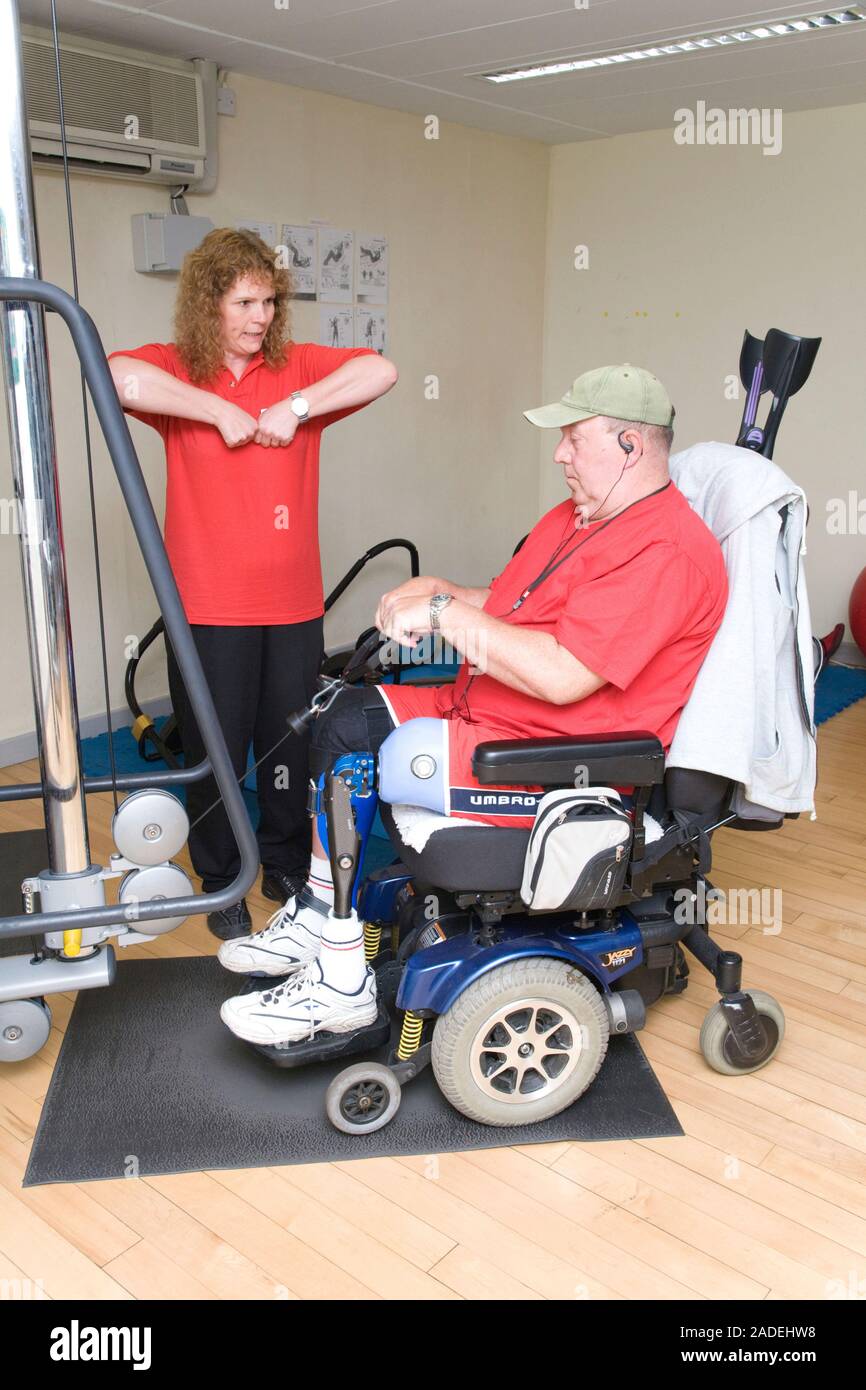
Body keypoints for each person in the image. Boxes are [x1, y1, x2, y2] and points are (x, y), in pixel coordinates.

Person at [218, 362, 729, 1046]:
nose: (560, 454)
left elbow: (561, 675)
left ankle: (341, 982)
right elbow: (514, 606)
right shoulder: (581, 517)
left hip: (552, 753)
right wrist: (447, 593)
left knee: (393, 755)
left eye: (574, 439)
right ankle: (319, 913)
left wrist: (442, 614)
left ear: (631, 444)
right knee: (344, 717)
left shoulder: (667, 551)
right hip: (491, 709)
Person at [108, 228, 397, 940]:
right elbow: (113, 374)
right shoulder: (178, 371)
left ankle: (284, 863)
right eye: (243, 301)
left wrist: (292, 408)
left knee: (287, 744)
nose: (259, 316)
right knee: (215, 747)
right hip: (205, 607)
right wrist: (217, 409)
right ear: (209, 304)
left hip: (292, 603)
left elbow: (380, 370)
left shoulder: (297, 365)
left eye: (268, 301)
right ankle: (222, 878)